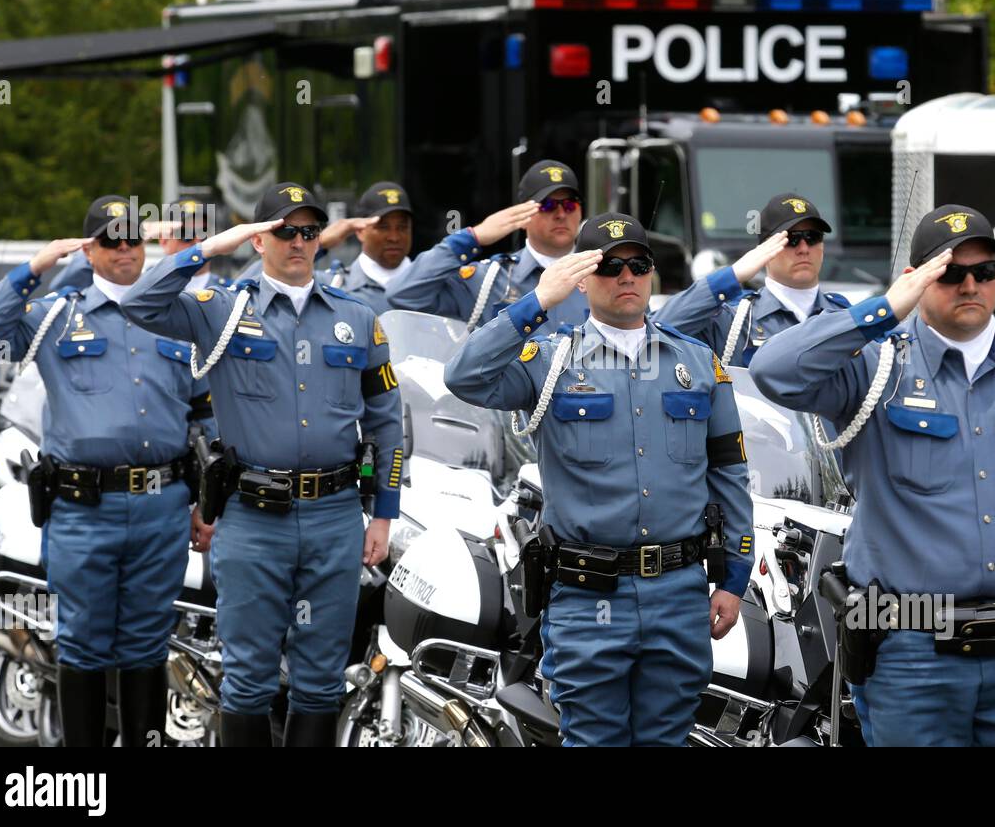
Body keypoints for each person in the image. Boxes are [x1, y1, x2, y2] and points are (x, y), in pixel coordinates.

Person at [750, 204, 995, 746]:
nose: (969, 283)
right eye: (949, 271)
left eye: (985, 270)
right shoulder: (876, 369)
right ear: (918, 278)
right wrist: (883, 310)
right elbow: (772, 370)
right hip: (909, 654)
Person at [444, 211, 753, 746]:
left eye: (638, 264)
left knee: (668, 739)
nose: (627, 276)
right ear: (582, 278)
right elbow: (464, 375)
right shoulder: (548, 359)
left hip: (678, 593)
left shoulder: (699, 363)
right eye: (609, 267)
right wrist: (536, 302)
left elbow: (729, 474)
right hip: (589, 596)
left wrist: (734, 579)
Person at [122, 181, 404, 747]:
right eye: (283, 230)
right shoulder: (222, 309)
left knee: (322, 682)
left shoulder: (357, 316)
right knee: (248, 680)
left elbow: (386, 421)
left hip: (335, 514)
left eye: (309, 231)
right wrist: (205, 249)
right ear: (258, 240)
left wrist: (383, 512)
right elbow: (138, 302)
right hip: (254, 517)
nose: (298, 241)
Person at [0, 198, 215, 747]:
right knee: (81, 643)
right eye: (110, 239)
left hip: (162, 506)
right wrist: (35, 269)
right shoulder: (57, 314)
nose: (124, 249)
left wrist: (207, 502)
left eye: (133, 239)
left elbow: (205, 414)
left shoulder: (178, 314)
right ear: (90, 249)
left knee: (149, 645)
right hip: (84, 509)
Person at [386, 159, 583, 331]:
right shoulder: (488, 281)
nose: (561, 214)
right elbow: (403, 294)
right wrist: (473, 237)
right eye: (547, 205)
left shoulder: (604, 275)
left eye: (569, 204)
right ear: (523, 214)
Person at [658, 192, 849, 366]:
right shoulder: (735, 319)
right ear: (765, 248)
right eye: (791, 239)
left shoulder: (845, 316)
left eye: (813, 237)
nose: (804, 248)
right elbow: (655, 332)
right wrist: (731, 276)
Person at [318, 182, 415, 312]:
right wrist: (319, 243)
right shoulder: (333, 286)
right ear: (360, 231)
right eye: (383, 227)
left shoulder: (431, 285)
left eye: (402, 227)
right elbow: (284, 279)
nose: (394, 237)